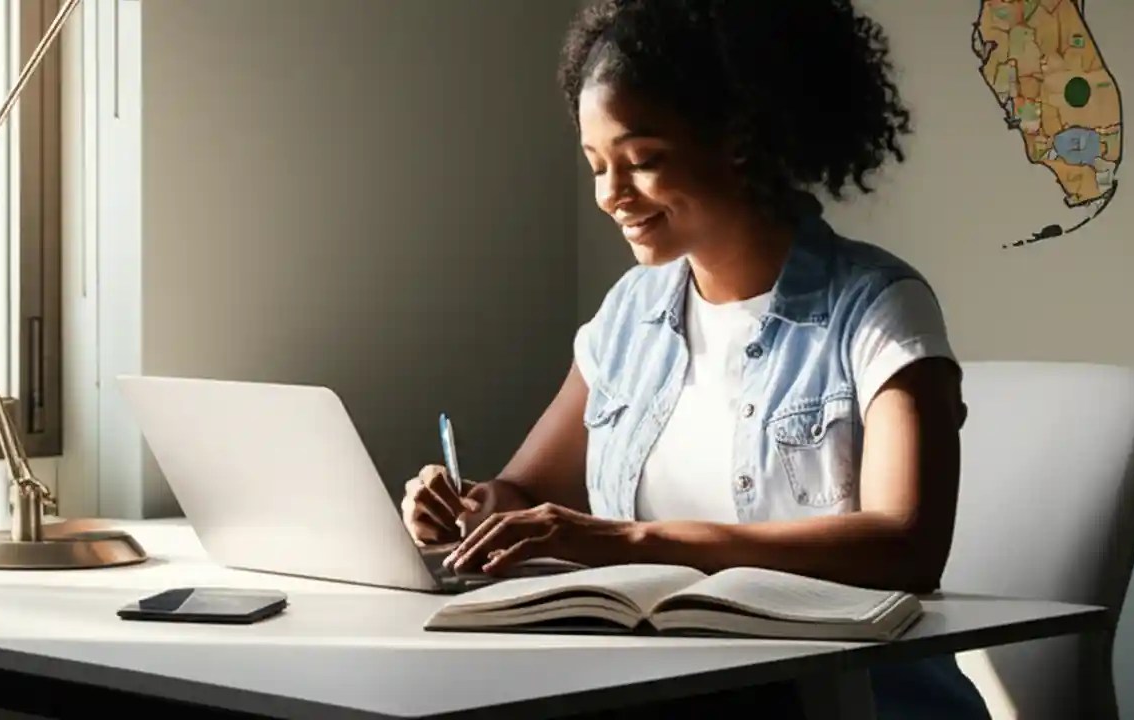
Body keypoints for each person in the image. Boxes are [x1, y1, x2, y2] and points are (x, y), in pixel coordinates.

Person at [401, 1, 991, 717]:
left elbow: (906, 544)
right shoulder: (629, 315)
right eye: (596, 166)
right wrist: (469, 508)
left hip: (842, 702)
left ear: (738, 139)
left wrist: (627, 542)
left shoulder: (876, 308)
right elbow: (523, 493)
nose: (611, 196)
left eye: (642, 161)